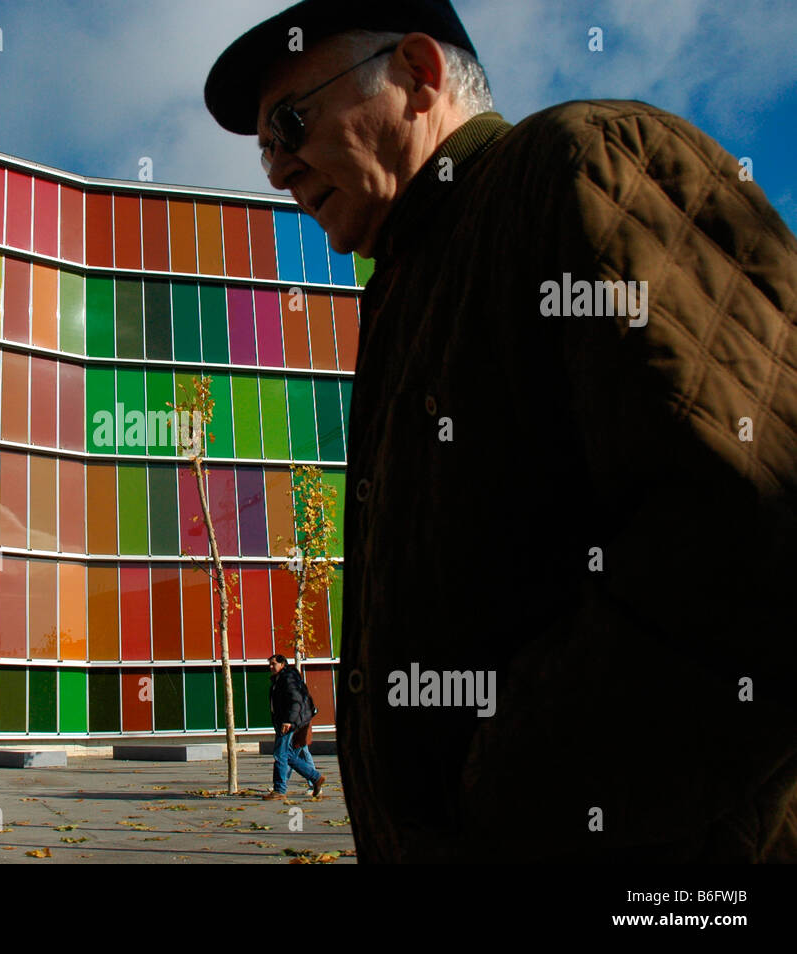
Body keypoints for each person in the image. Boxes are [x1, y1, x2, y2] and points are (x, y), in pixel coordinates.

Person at [206, 0, 797, 861]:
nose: (276, 169)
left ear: (418, 72)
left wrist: (510, 805)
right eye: (263, 148)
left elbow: (757, 528)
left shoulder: (584, 162)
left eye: (290, 122)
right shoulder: (411, 285)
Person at [266, 654, 326, 800]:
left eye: (274, 664)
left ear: (282, 664)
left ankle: (279, 790)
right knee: (289, 755)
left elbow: (296, 700)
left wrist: (288, 721)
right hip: (289, 721)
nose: (271, 667)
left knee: (280, 754)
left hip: (290, 722)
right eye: (270, 664)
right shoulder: (281, 679)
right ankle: (315, 778)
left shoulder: (288, 678)